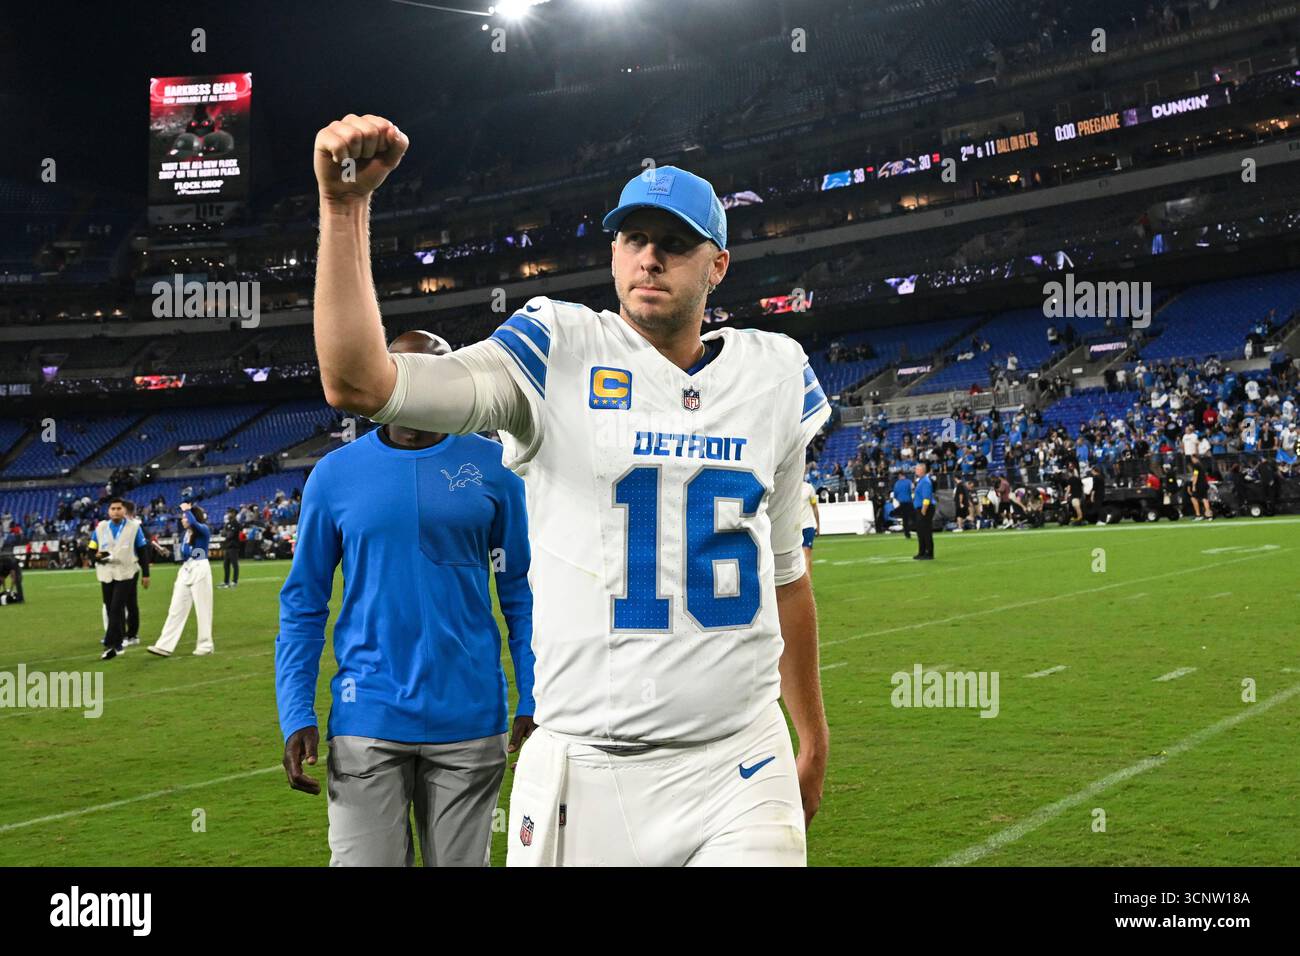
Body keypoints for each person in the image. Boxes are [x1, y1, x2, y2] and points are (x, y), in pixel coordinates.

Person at [311, 114, 828, 866]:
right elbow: (359, 382)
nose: (651, 258)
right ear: (614, 252)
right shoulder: (556, 346)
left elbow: (784, 572)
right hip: (587, 768)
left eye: (675, 243)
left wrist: (810, 730)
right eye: (634, 239)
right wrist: (344, 208)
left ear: (718, 265)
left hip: (740, 762)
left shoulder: (773, 371)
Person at [276, 331, 537, 868]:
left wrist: (534, 697)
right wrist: (295, 709)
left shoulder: (498, 468)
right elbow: (304, 603)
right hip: (366, 714)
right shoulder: (335, 474)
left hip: (469, 717)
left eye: (438, 372)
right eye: (408, 369)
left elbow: (523, 594)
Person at [146, 503, 214, 657]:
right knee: (175, 609)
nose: (183, 520)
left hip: (200, 568)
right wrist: (166, 553)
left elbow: (197, 550)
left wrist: (187, 509)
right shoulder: (186, 535)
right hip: (186, 569)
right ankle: (164, 645)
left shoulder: (203, 530)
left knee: (203, 609)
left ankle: (206, 645)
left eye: (185, 517)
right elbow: (183, 557)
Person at [91, 497, 151, 660]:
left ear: (124, 511)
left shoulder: (134, 528)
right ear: (108, 511)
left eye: (119, 508)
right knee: (111, 608)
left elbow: (142, 550)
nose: (116, 511)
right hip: (106, 573)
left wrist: (146, 574)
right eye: (113, 509)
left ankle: (111, 644)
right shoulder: (101, 528)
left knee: (117, 607)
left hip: (126, 572)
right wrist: (99, 556)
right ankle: (117, 643)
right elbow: (92, 549)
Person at [912, 462, 934, 560]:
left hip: (924, 508)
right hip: (920, 508)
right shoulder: (921, 480)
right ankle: (921, 552)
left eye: (917, 469)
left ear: (922, 470)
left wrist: (924, 510)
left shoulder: (925, 481)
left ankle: (929, 552)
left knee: (925, 531)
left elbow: (926, 497)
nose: (915, 470)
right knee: (921, 531)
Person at [800, 478, 820, 580]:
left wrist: (818, 525)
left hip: (807, 525)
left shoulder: (809, 488)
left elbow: (814, 506)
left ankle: (808, 584)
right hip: (794, 528)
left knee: (806, 554)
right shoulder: (789, 487)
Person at [219, 508, 241, 588]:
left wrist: (226, 533)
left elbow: (230, 535)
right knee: (226, 565)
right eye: (228, 512)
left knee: (234, 564)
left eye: (230, 513)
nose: (228, 514)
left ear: (234, 514)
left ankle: (234, 581)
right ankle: (226, 582)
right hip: (227, 546)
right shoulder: (227, 524)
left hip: (233, 546)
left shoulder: (236, 524)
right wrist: (226, 533)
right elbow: (223, 533)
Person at [891, 469, 914, 539]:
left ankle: (907, 534)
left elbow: (895, 495)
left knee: (905, 519)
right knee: (914, 518)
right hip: (909, 503)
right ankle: (919, 530)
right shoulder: (909, 482)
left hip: (902, 504)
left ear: (899, 476)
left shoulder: (897, 483)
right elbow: (913, 490)